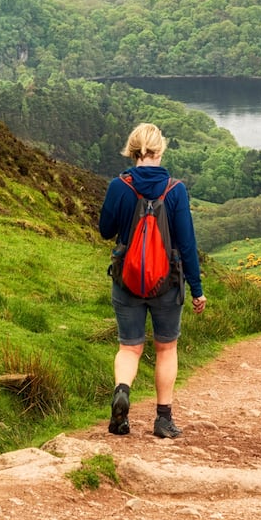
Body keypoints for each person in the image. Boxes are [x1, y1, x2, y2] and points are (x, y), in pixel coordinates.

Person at [97, 123, 204, 439]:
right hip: (167, 284)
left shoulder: (120, 186)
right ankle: (163, 419)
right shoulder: (175, 190)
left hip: (126, 280)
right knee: (166, 348)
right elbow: (186, 245)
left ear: (132, 151)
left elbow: (105, 229)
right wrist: (196, 290)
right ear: (160, 151)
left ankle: (122, 392)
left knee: (129, 348)